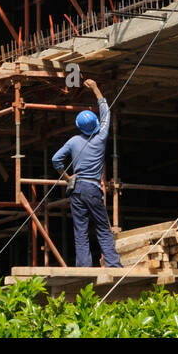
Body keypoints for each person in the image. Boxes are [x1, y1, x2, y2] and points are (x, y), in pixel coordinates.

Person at [51, 77, 122, 268]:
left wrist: (67, 177)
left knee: (80, 230)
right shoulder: (100, 138)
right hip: (92, 187)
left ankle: (84, 267)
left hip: (77, 188)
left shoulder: (73, 141)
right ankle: (114, 265)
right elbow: (106, 112)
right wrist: (95, 87)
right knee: (102, 228)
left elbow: (55, 160)